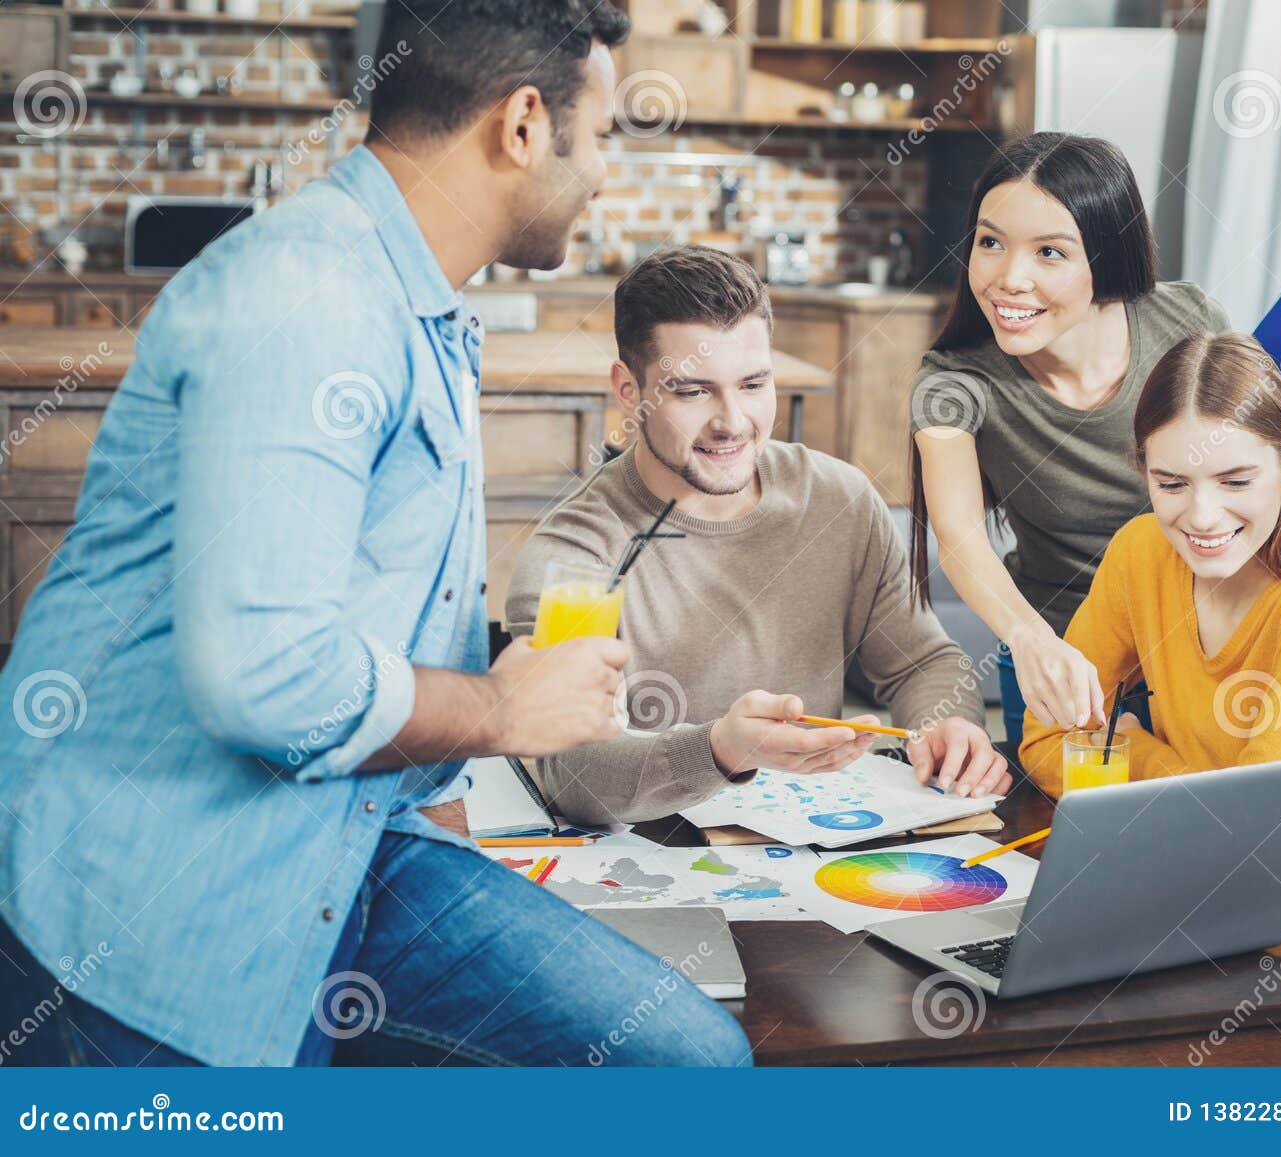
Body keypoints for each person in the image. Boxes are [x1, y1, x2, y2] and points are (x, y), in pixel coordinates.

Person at [0, 1, 749, 1068]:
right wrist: (496, 707)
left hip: (350, 836)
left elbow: (386, 616)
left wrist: (449, 810)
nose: (602, 176)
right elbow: (261, 676)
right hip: (153, 894)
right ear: (525, 124)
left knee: (683, 1059)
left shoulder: (418, 300)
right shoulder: (311, 292)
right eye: (605, 138)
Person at [1018, 331, 1281, 1066]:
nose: (1203, 517)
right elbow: (1044, 739)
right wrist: (1187, 788)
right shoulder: (1139, 553)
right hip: (1189, 935)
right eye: (1172, 483)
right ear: (1143, 473)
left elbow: (1254, 841)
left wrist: (1133, 748)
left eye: (1234, 479)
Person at [504, 245, 1010, 825]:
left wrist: (948, 724)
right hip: (647, 866)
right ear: (628, 390)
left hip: (814, 849)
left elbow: (922, 662)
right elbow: (574, 775)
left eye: (752, 384)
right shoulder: (574, 554)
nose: (733, 422)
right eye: (693, 392)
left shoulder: (838, 499)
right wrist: (721, 750)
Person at [909, 133, 1228, 745]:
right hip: (1060, 656)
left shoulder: (1186, 324)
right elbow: (959, 536)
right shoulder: (954, 384)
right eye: (990, 242)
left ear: (1104, 258)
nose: (1009, 279)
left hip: (1197, 651)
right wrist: (1031, 641)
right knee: (1056, 834)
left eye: (1050, 252)